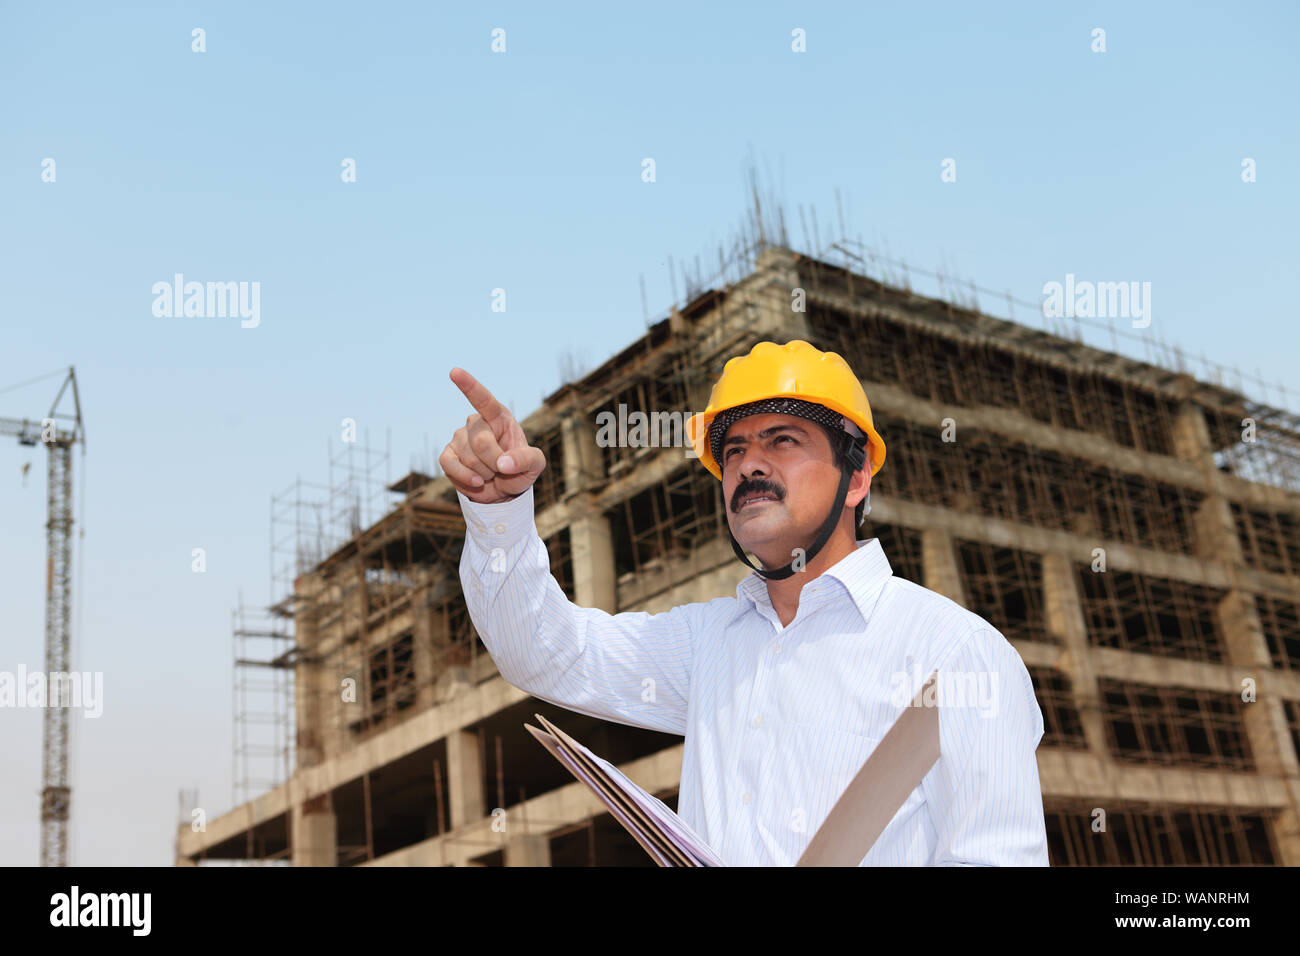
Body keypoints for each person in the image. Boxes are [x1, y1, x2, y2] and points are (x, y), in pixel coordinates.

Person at [442, 339, 1049, 865]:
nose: (748, 464)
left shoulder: (958, 656)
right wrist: (499, 512)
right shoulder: (710, 644)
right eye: (732, 450)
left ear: (856, 475)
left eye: (782, 440)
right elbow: (547, 654)